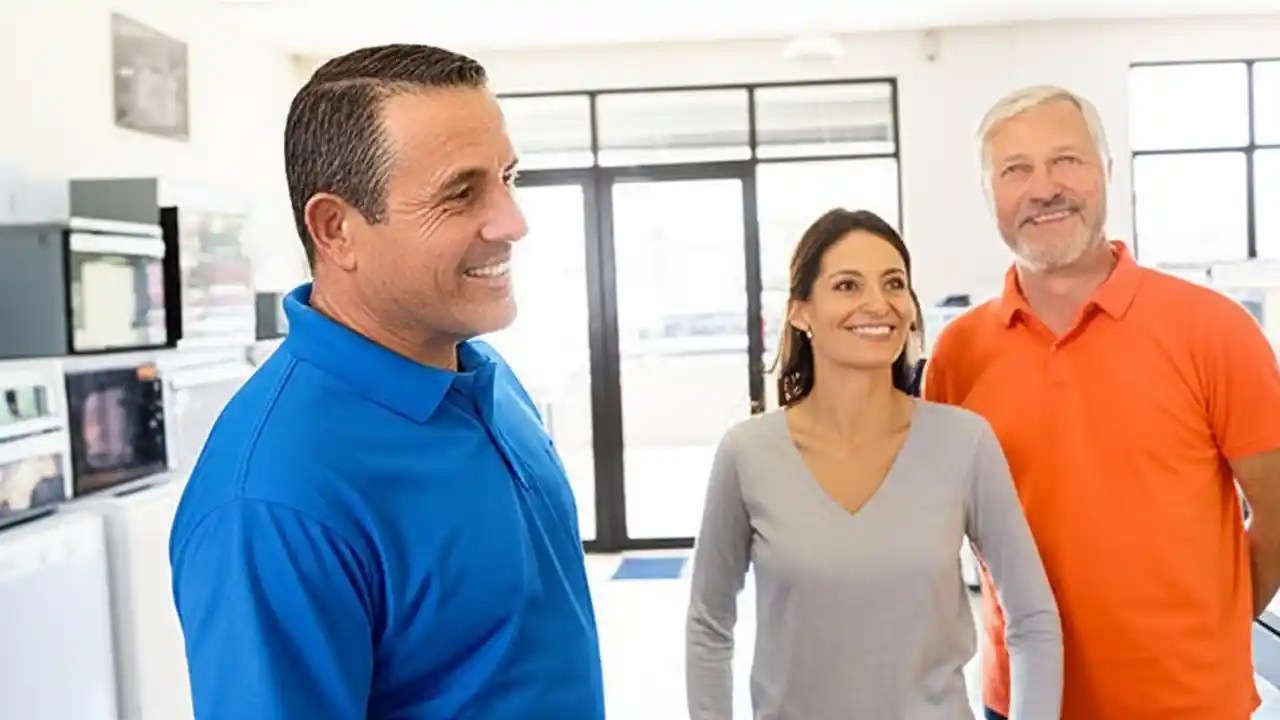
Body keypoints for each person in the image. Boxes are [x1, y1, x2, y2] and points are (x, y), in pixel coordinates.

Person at [168, 44, 605, 719]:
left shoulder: (484, 377)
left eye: (508, 178)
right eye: (461, 193)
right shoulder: (271, 500)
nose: (514, 222)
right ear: (336, 229)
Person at [924, 84, 1280, 720]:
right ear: (990, 196)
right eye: (1015, 170)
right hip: (1025, 703)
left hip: (1190, 703)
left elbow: (1279, 512)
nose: (1044, 188)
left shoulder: (1214, 330)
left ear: (1107, 172)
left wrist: (1212, 628)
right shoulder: (958, 354)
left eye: (1067, 160)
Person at [685, 208, 1063, 719]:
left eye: (894, 283)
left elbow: (1033, 618)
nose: (877, 303)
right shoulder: (747, 454)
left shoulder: (963, 442)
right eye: (846, 285)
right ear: (801, 312)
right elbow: (709, 625)